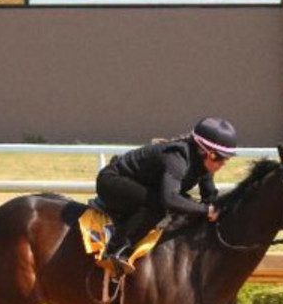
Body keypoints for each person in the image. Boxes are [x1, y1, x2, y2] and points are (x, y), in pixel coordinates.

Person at [96, 117, 238, 278]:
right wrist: (206, 210)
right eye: (222, 158)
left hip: (144, 185)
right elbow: (170, 199)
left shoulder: (203, 165)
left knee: (187, 205)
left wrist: (220, 210)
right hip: (112, 182)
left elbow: (209, 196)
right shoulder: (176, 158)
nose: (224, 163)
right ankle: (116, 249)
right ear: (208, 153)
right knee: (158, 206)